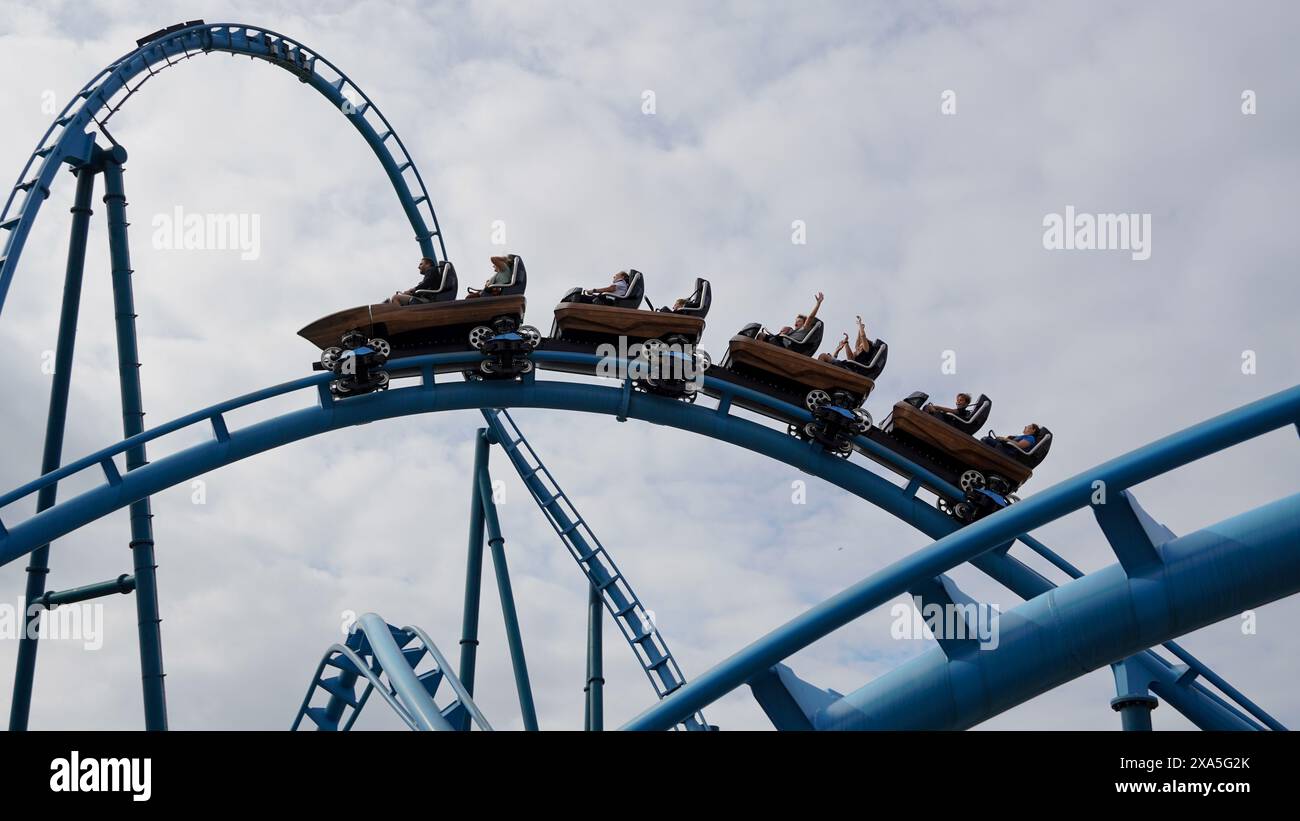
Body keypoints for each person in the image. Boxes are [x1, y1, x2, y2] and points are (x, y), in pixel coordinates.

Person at [757, 292, 823, 347]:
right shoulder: (792, 331)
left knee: (763, 335)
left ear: (804, 323)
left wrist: (818, 303)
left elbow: (810, 317)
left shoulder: (804, 329)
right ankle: (759, 348)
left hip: (784, 345)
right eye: (796, 321)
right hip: (779, 342)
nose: (796, 323)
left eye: (799, 321)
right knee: (761, 335)